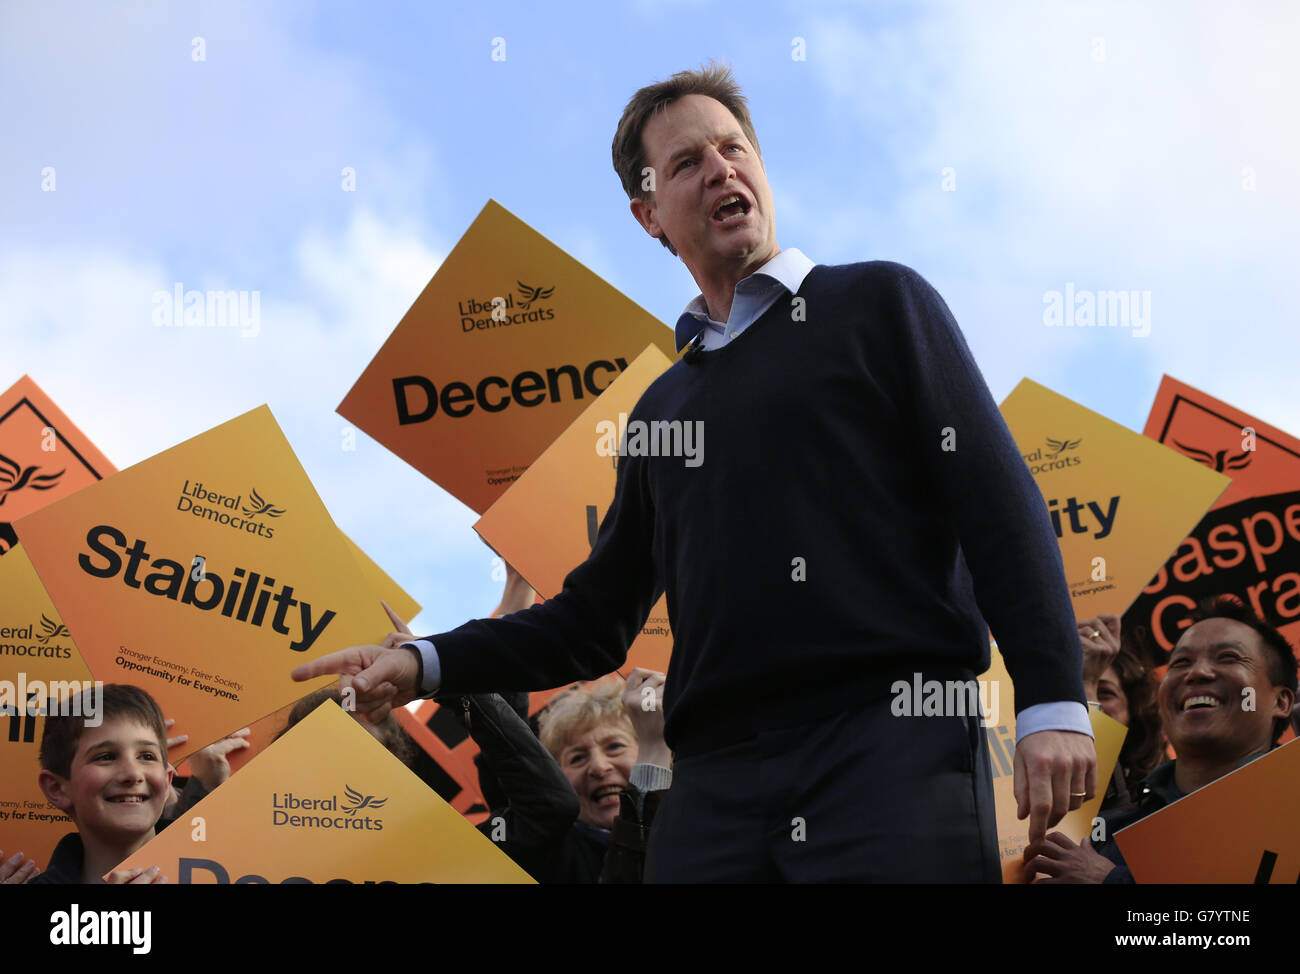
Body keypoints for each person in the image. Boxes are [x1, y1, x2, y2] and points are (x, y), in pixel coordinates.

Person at [295, 63, 1095, 882]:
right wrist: (427, 659)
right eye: (686, 163)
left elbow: (997, 499)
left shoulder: (880, 305)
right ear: (648, 216)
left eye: (733, 148)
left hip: (886, 751)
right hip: (711, 789)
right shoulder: (657, 412)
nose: (721, 169)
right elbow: (591, 621)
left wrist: (1052, 697)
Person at [1027, 596, 1296, 883]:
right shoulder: (1108, 831)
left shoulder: (1293, 814)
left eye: (1228, 658)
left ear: (1280, 701)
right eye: (1180, 662)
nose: (1197, 673)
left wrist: (1110, 881)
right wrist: (1085, 684)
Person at [31, 684, 175, 884]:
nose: (133, 774)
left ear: (167, 781)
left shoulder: (228, 861)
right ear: (56, 788)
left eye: (146, 756)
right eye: (106, 757)